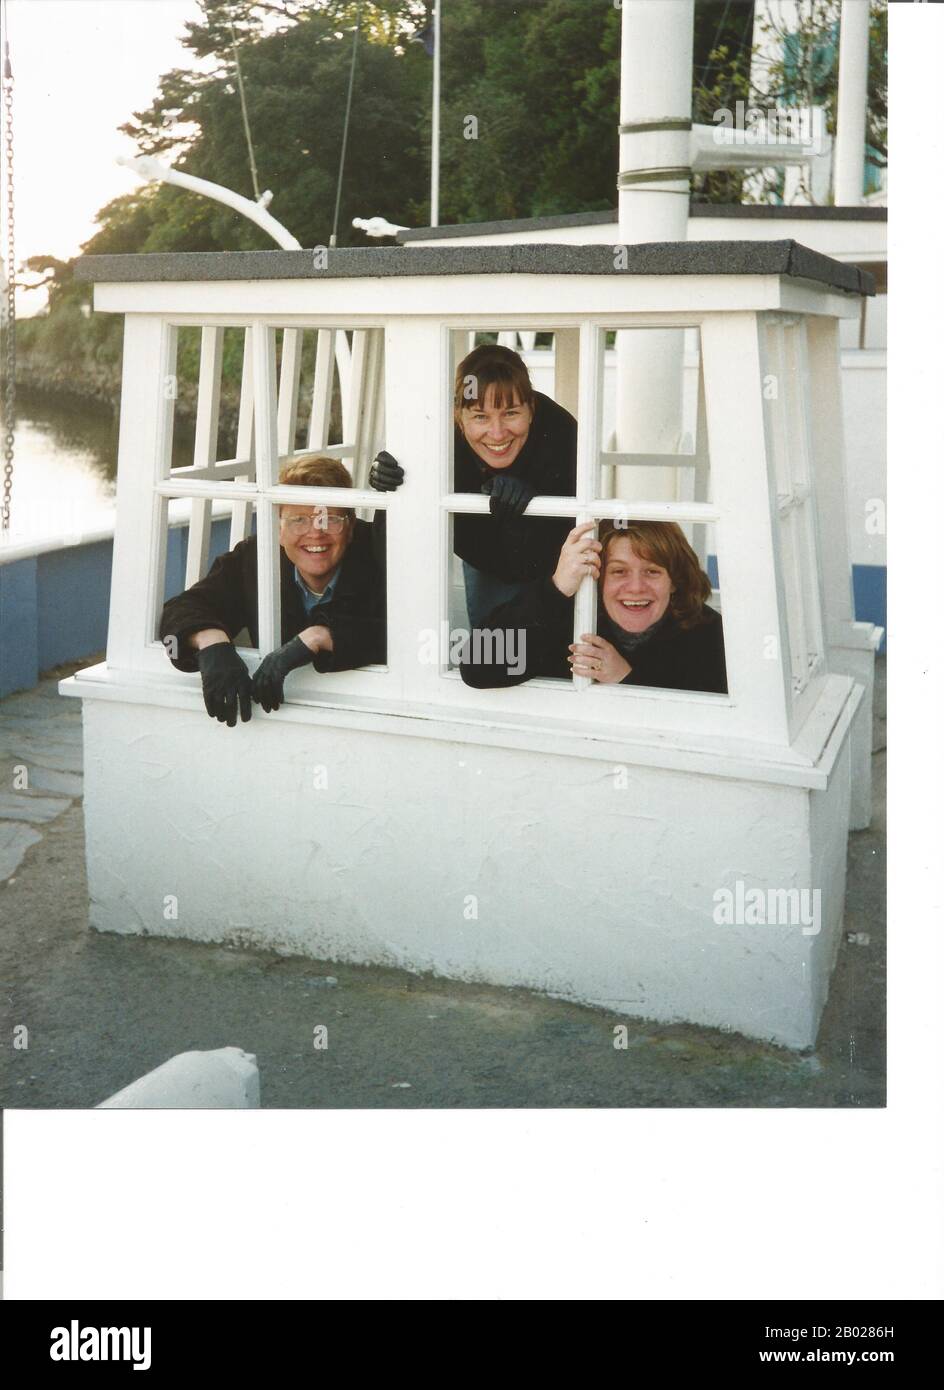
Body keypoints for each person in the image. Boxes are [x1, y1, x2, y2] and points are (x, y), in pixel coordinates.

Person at [160, 454, 398, 726]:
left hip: (368, 718)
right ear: (278, 529)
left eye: (330, 518)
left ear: (352, 526)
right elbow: (180, 609)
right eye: (299, 520)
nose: (315, 533)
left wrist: (322, 636)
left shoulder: (380, 553)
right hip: (274, 722)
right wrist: (211, 643)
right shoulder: (256, 558)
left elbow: (407, 633)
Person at [458, 519, 727, 695]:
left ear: (675, 581)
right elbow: (478, 666)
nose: (635, 587)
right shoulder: (571, 618)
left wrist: (625, 679)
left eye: (652, 572)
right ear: (598, 578)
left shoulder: (708, 633)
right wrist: (556, 588)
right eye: (619, 572)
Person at [453, 343, 577, 627]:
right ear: (459, 416)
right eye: (480, 416)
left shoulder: (561, 434)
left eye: (510, 413)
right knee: (494, 654)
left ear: (531, 409)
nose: (497, 433)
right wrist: (387, 486)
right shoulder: (438, 440)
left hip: (552, 560)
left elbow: (569, 540)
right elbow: (387, 552)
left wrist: (532, 504)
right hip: (484, 555)